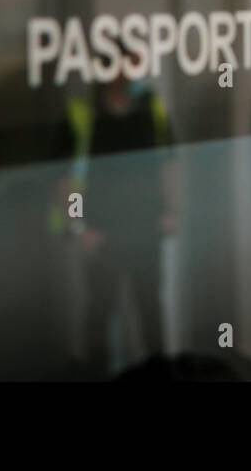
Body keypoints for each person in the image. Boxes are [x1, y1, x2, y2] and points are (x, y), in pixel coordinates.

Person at [60, 69, 175, 376]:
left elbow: (168, 161)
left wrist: (169, 210)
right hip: (101, 232)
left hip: (146, 227)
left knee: (150, 308)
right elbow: (68, 178)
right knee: (99, 312)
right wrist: (78, 226)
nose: (131, 76)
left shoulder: (150, 106)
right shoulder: (84, 112)